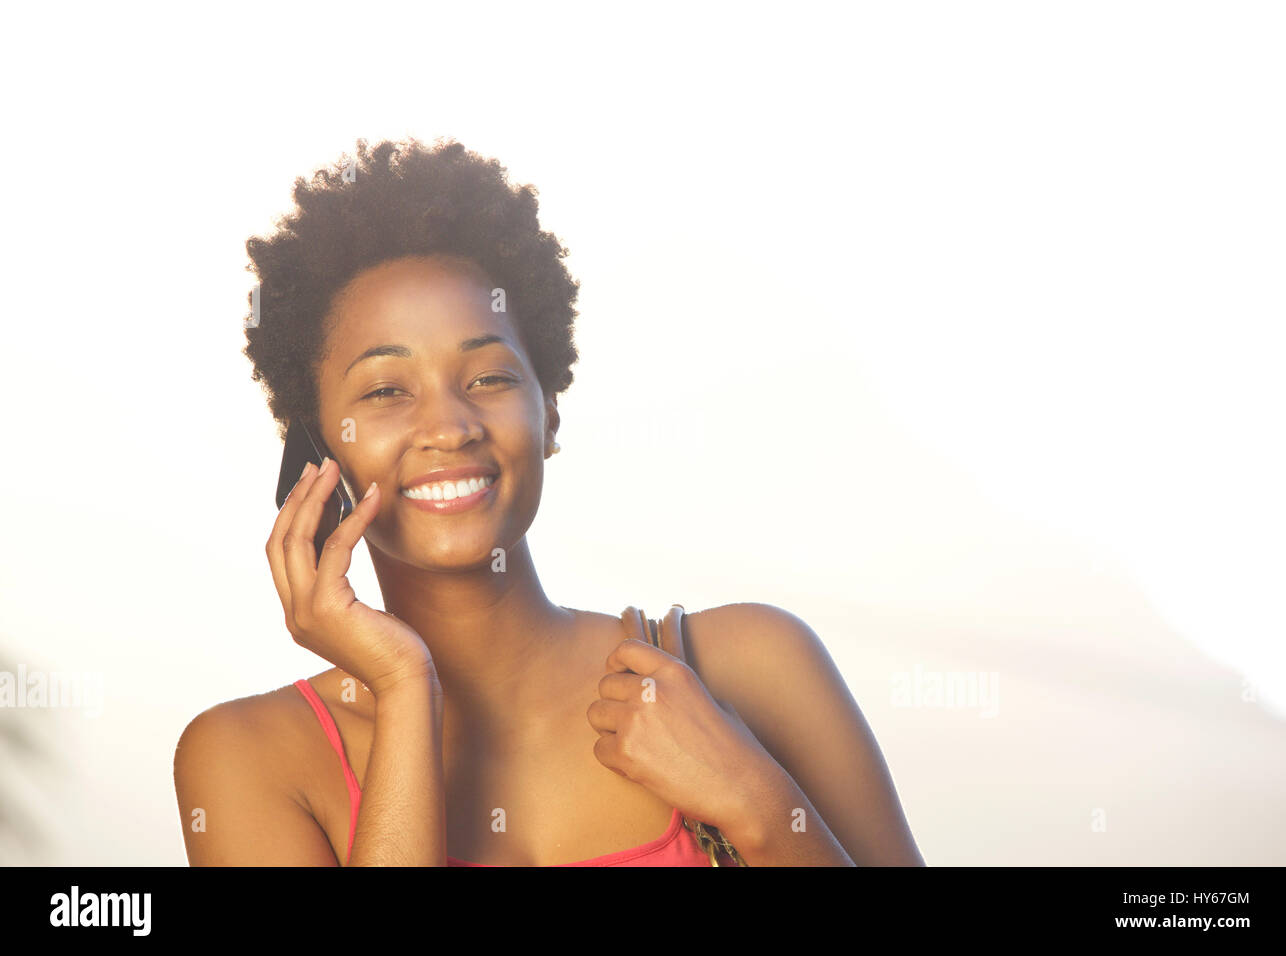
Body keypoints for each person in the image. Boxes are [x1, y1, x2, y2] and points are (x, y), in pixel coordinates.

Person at [172, 137, 925, 866]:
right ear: (320, 451)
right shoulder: (249, 759)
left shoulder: (751, 669)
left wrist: (760, 808)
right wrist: (405, 688)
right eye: (386, 391)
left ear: (549, 414)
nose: (449, 426)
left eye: (490, 378)